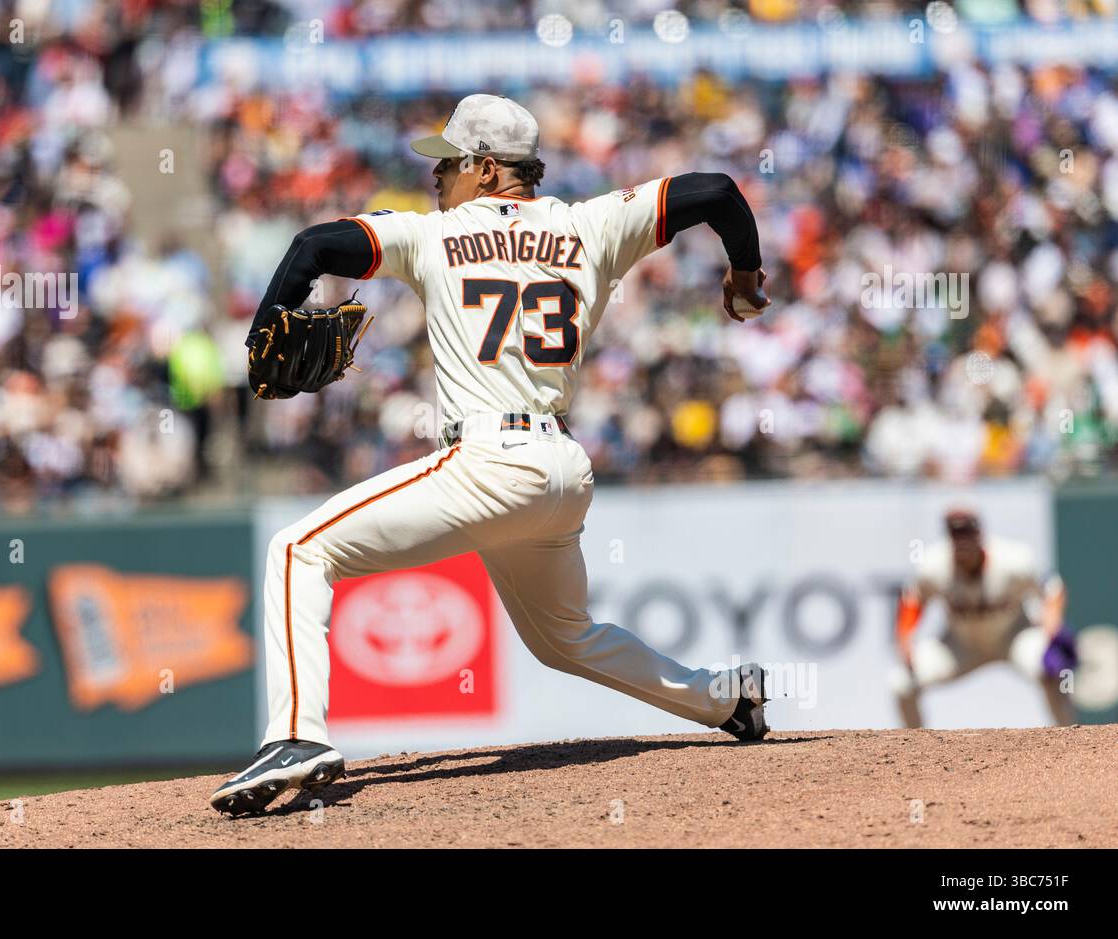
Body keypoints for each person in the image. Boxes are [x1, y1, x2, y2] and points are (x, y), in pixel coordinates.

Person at [211, 94, 773, 816]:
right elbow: (720, 192)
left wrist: (261, 334)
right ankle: (725, 697)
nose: (434, 178)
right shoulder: (589, 223)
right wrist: (745, 276)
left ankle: (295, 735)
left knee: (298, 551)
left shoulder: (433, 234)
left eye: (445, 163)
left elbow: (313, 246)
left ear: (482, 167)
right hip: (562, 468)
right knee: (564, 637)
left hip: (489, 459)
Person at [891, 508, 1075, 729]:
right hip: (959, 645)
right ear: (948, 538)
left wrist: (1051, 623)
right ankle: (914, 748)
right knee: (901, 683)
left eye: (968, 534)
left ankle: (1069, 740)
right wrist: (905, 638)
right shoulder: (933, 565)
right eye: (956, 536)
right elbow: (913, 599)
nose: (963, 542)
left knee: (1053, 668)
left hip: (1014, 637)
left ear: (980, 534)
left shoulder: (1013, 559)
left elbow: (1052, 588)